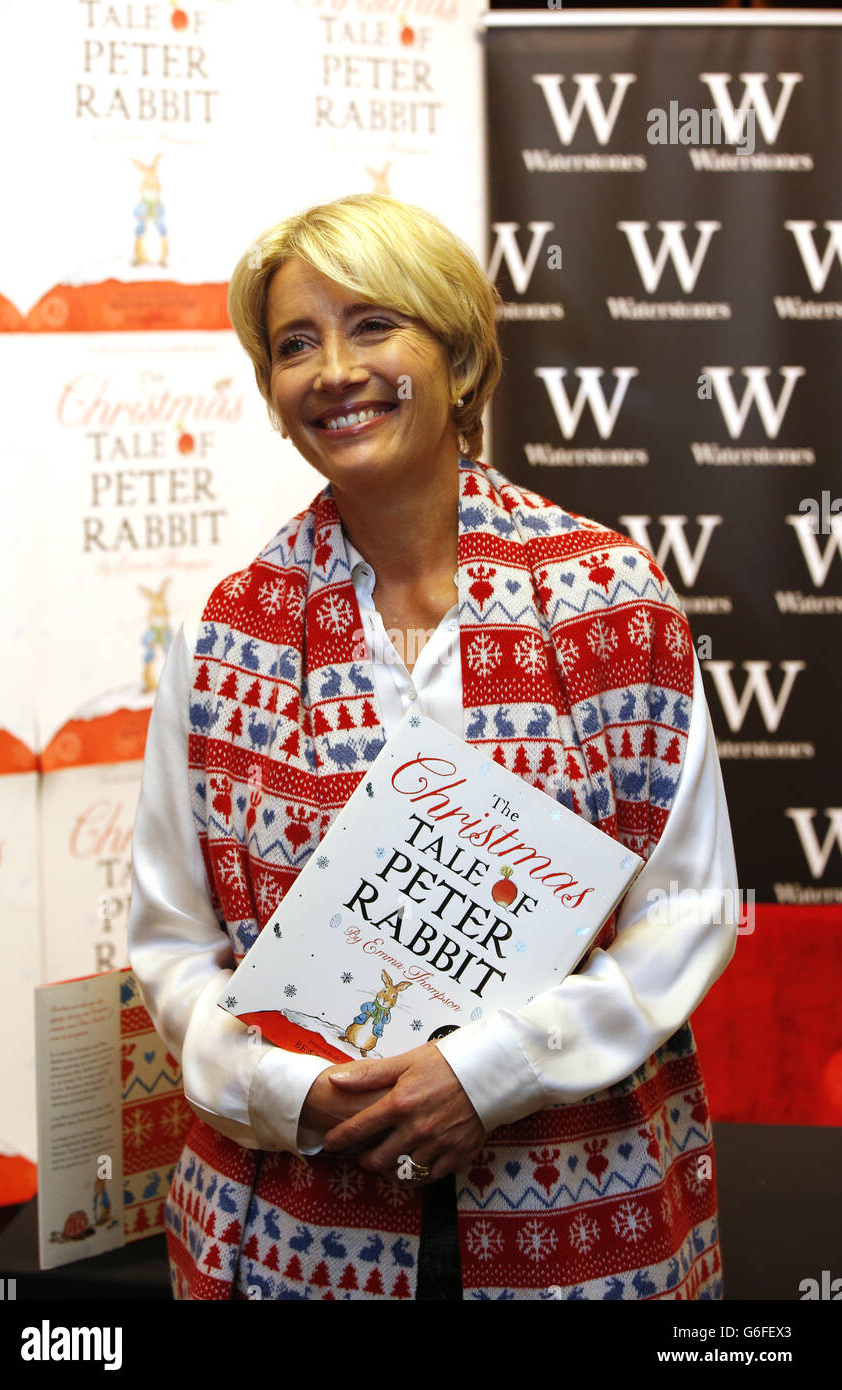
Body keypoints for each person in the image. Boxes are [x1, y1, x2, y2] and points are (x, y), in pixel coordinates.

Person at [127, 193, 739, 1301]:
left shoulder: (609, 602)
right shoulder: (228, 630)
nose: (332, 370)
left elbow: (684, 912)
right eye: (294, 344)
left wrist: (487, 1070)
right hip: (293, 1228)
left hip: (580, 1204)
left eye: (372, 326)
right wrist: (280, 1087)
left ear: (453, 353)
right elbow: (172, 937)